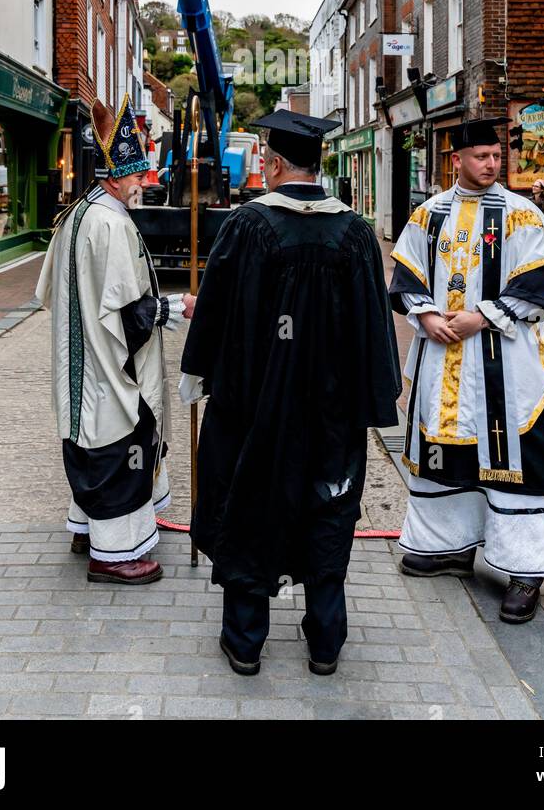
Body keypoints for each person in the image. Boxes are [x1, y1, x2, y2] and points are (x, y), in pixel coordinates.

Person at [178, 110, 401, 676]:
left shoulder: (245, 226)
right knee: (327, 514)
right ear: (318, 163)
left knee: (249, 507)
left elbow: (218, 313)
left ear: (273, 164)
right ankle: (325, 641)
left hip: (255, 410)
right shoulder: (354, 233)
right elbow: (375, 327)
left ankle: (246, 640)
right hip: (331, 414)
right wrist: (374, 404)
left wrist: (197, 373)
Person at [388, 118, 544, 623]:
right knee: (447, 452)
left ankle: (526, 568)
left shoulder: (523, 216)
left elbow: (537, 290)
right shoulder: (428, 216)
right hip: (442, 358)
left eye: (496, 156)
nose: (492, 164)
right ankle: (451, 544)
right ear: (457, 160)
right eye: (481, 156)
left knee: (516, 454)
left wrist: (480, 317)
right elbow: (404, 278)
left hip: (505, 366)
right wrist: (425, 314)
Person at [35, 94, 189, 584]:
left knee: (88, 438)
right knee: (123, 442)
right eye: (137, 174)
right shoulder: (111, 223)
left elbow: (57, 294)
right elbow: (127, 314)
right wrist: (177, 308)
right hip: (109, 367)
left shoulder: (77, 214)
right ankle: (115, 555)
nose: (144, 181)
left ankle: (87, 528)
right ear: (114, 175)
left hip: (79, 366)